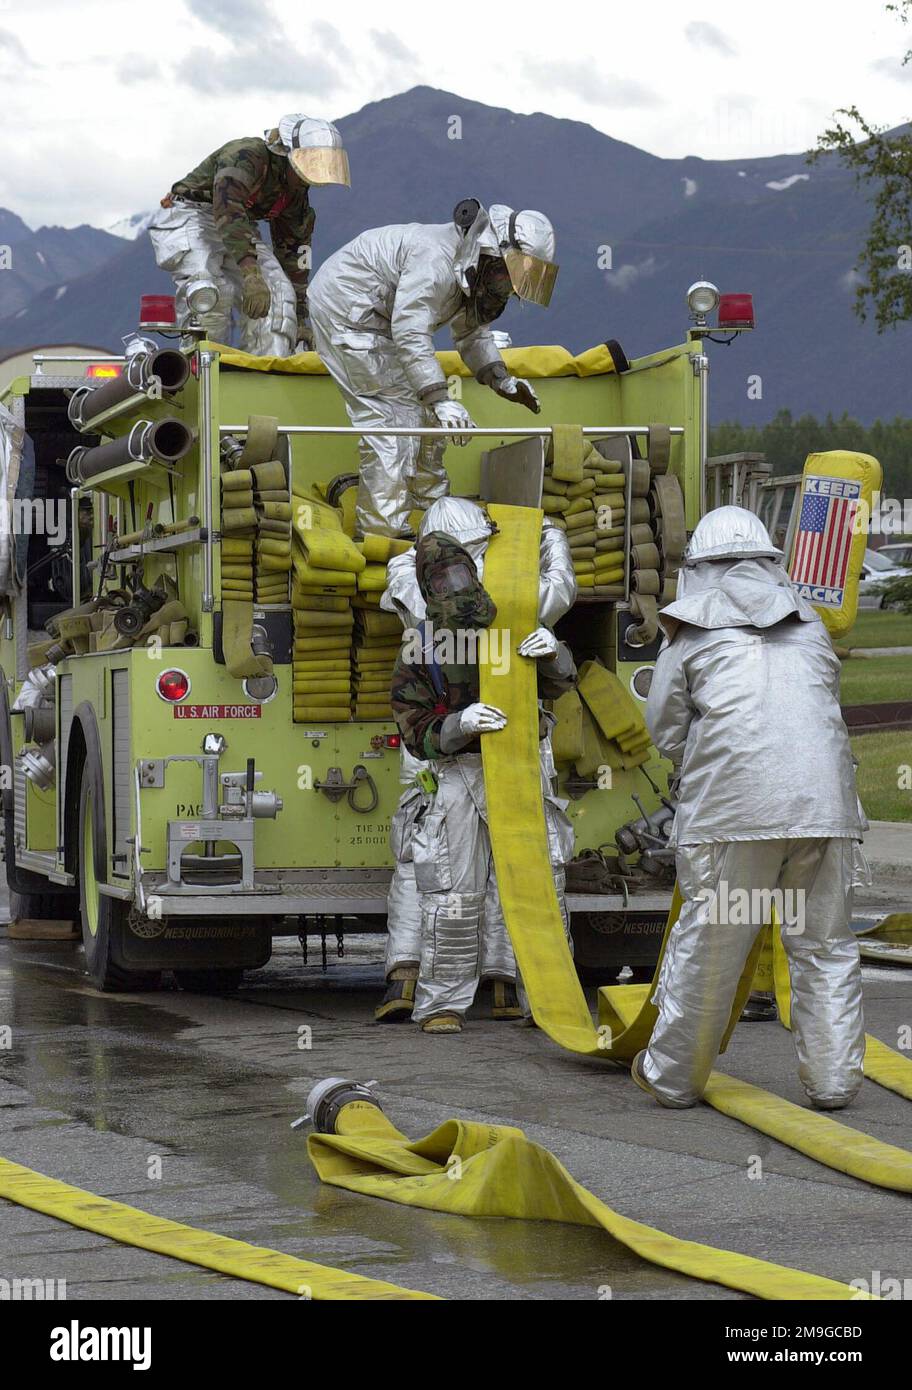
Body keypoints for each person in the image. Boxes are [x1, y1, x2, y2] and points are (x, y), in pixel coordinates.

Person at [633, 506, 867, 1110]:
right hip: (826, 811)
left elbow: (664, 731)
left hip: (733, 819)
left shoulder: (688, 638)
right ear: (770, 564)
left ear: (700, 570)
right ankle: (834, 1082)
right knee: (824, 946)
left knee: (712, 946)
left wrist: (710, 761)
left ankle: (674, 1077)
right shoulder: (811, 625)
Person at [377, 496, 576, 1023]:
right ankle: (441, 1001)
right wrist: (457, 726)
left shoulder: (515, 617)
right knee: (450, 888)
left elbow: (558, 683)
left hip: (519, 762)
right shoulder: (422, 640)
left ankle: (543, 999)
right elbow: (414, 726)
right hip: (455, 771)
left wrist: (552, 652)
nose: (459, 584)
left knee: (535, 885)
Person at [308, 200, 558, 537]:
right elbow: (410, 329)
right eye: (511, 273)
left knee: (426, 418)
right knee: (392, 420)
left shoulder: (470, 267)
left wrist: (501, 380)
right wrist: (440, 398)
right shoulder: (437, 260)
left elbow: (471, 333)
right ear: (494, 252)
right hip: (348, 312)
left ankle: (431, 514)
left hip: (381, 320)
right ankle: (383, 535)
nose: (510, 288)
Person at [149, 115, 349, 355]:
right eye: (313, 160)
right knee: (209, 291)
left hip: (239, 223)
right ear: (288, 152)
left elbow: (295, 253)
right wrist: (251, 274)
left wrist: (300, 318)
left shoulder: (295, 194)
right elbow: (228, 208)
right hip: (191, 212)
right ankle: (202, 371)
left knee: (278, 294)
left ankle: (267, 375)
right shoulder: (245, 156)